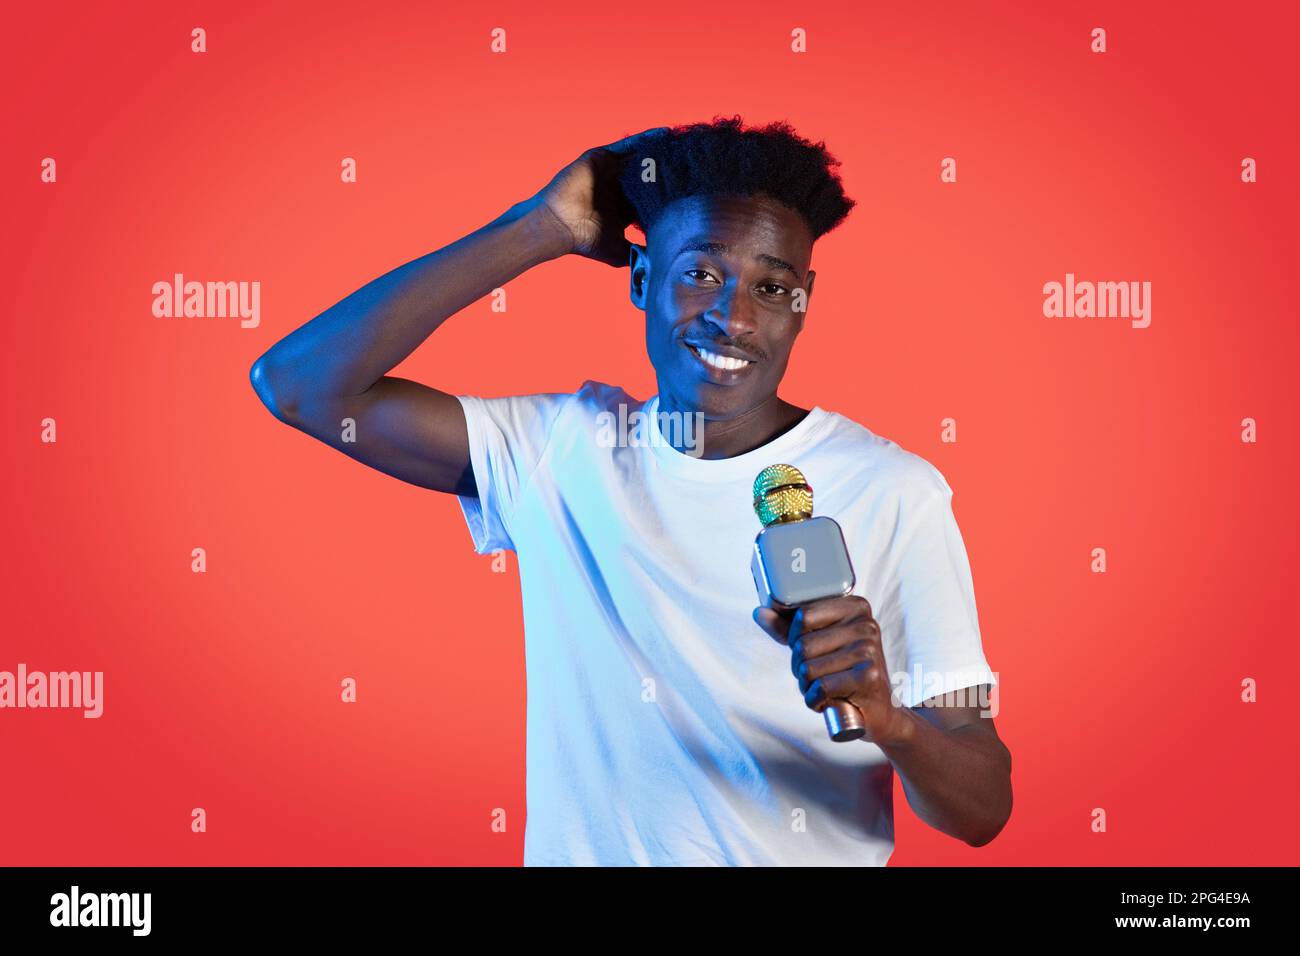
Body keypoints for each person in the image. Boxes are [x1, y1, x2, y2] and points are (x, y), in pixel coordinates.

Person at [250, 116, 1012, 866]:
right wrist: (542, 226)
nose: (734, 317)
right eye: (701, 274)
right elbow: (299, 387)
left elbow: (982, 810)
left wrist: (892, 723)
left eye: (772, 288)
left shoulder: (894, 490)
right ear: (642, 280)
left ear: (803, 303)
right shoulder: (560, 450)